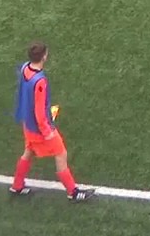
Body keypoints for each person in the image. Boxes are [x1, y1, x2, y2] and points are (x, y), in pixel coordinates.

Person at [9, 42, 95, 202]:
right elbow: (39, 111)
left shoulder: (25, 69)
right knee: (61, 153)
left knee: (28, 152)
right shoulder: (40, 81)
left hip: (27, 123)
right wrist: (47, 130)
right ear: (44, 57)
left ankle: (17, 185)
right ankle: (73, 192)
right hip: (39, 127)